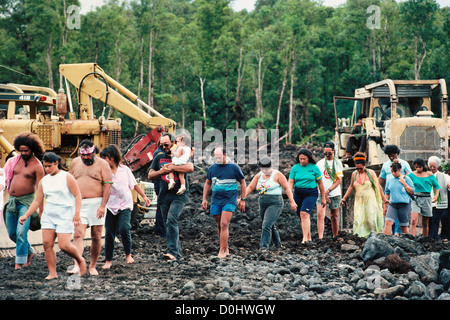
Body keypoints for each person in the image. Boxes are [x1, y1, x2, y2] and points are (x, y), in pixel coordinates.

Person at [19, 152, 87, 279]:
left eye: (49, 166)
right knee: (46, 244)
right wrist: (26, 215)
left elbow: (78, 195)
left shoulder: (67, 177)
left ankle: (80, 260)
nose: (47, 169)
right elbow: (37, 200)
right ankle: (52, 273)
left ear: (57, 163)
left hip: (65, 214)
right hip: (49, 215)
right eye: (45, 166)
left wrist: (77, 213)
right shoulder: (44, 181)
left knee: (64, 245)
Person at [100, 145, 151, 269]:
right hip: (111, 205)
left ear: (112, 158)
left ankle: (128, 254)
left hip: (125, 204)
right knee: (109, 233)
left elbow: (134, 184)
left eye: (105, 158)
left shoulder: (125, 170)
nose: (103, 161)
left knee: (124, 228)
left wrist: (144, 196)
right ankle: (108, 260)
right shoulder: (103, 172)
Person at [69, 139, 112, 275]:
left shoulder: (103, 164)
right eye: (84, 155)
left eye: (89, 155)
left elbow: (108, 185)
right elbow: (70, 180)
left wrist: (102, 206)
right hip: (79, 203)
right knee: (78, 234)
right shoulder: (75, 162)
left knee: (96, 236)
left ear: (94, 152)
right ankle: (77, 264)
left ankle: (92, 266)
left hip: (97, 203)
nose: (86, 157)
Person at [148, 132, 194, 261]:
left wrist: (172, 167)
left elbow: (190, 167)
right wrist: (162, 171)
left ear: (174, 143)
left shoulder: (183, 154)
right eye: (161, 145)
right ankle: (176, 253)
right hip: (163, 195)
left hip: (179, 195)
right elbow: (150, 175)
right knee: (168, 223)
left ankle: (172, 252)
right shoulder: (159, 156)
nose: (163, 147)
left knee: (171, 219)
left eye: (166, 144)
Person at [4, 132, 45, 270]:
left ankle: (19, 263)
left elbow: (40, 190)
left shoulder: (37, 165)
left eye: (25, 150)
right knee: (12, 233)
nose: (23, 153)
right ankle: (30, 251)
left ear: (32, 149)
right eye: (20, 150)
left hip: (26, 202)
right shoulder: (14, 161)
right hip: (11, 200)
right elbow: (6, 175)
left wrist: (41, 210)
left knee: (21, 232)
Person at [243, 157, 297, 250]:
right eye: (263, 169)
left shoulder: (277, 175)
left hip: (275, 202)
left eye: (267, 169)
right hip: (262, 201)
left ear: (271, 166)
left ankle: (264, 246)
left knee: (266, 224)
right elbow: (251, 187)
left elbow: (287, 188)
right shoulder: (259, 175)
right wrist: (242, 198)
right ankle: (278, 245)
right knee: (270, 225)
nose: (265, 171)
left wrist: (292, 201)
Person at [202, 147, 246, 258]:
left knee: (224, 224)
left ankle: (221, 251)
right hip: (216, 200)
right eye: (215, 158)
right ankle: (226, 248)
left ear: (225, 155)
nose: (218, 160)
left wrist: (243, 199)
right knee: (218, 225)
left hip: (229, 199)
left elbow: (242, 182)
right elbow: (207, 183)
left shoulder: (234, 167)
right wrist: (204, 199)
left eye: (219, 157)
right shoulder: (212, 168)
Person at [340, 152, 387, 237]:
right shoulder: (354, 174)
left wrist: (384, 199)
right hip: (359, 201)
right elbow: (351, 187)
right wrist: (344, 198)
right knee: (359, 219)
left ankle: (374, 237)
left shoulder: (371, 173)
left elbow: (378, 186)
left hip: (370, 201)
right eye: (357, 168)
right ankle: (361, 237)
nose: (359, 170)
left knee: (371, 220)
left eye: (360, 168)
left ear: (364, 165)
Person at [288, 148, 326, 243]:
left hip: (311, 193)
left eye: (304, 159)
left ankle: (304, 239)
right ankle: (308, 237)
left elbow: (320, 184)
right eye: (300, 159)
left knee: (304, 213)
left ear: (309, 158)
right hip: (298, 193)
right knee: (300, 216)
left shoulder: (314, 168)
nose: (302, 161)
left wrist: (323, 197)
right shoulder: (295, 168)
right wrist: (291, 198)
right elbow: (290, 183)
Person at [378, 144, 412, 235]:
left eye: (393, 155)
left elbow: (411, 176)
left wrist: (405, 182)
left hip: (401, 193)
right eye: (390, 155)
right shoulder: (385, 165)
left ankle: (398, 234)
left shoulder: (404, 164)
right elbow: (381, 178)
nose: (392, 157)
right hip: (390, 192)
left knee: (401, 221)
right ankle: (390, 237)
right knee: (389, 218)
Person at [316, 141, 343, 238]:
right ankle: (320, 237)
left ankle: (335, 235)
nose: (327, 155)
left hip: (334, 193)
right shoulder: (319, 164)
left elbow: (338, 180)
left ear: (333, 151)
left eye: (329, 153)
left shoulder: (337, 163)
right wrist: (323, 194)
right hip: (321, 193)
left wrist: (327, 192)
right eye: (325, 153)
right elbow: (318, 180)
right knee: (320, 214)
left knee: (334, 216)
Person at [409, 158, 440, 237]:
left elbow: (437, 186)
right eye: (416, 167)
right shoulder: (411, 175)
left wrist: (436, 196)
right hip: (415, 198)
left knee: (425, 222)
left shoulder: (429, 174)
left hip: (426, 198)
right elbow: (405, 182)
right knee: (413, 220)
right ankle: (412, 237)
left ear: (423, 166)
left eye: (420, 167)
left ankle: (425, 238)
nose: (418, 169)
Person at [383, 162, 415, 235]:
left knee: (403, 227)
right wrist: (385, 205)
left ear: (399, 170)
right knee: (388, 222)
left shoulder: (407, 179)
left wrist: (404, 184)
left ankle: (407, 242)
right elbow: (387, 193)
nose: (393, 173)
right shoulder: (390, 180)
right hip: (392, 204)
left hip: (404, 205)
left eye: (395, 171)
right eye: (392, 172)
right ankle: (385, 240)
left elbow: (412, 191)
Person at [427, 156, 450, 240]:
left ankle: (444, 236)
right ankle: (432, 237)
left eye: (434, 166)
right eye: (431, 166)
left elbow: (449, 183)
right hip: (431, 201)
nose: (432, 168)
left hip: (442, 202)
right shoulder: (427, 176)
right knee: (433, 220)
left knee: (444, 219)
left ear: (438, 166)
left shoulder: (444, 176)